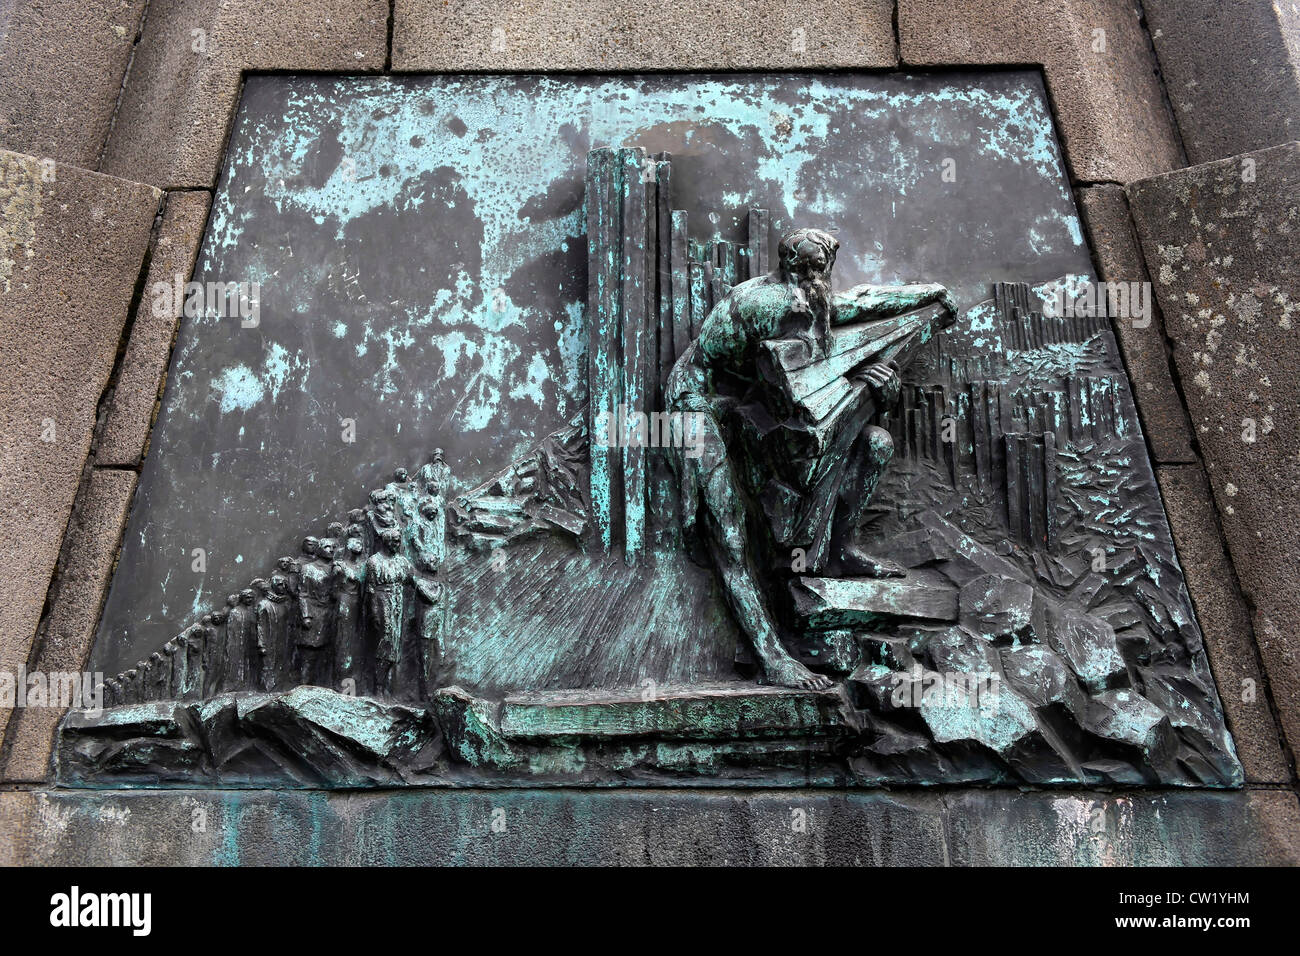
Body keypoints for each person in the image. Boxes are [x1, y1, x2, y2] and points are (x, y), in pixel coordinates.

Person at [664, 227, 957, 690]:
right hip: (697, 406)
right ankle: (770, 657)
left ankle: (839, 550)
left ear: (827, 266)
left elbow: (853, 310)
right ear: (785, 266)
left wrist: (927, 299)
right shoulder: (763, 304)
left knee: (874, 442)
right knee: (730, 535)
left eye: (817, 269)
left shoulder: (811, 298)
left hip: (756, 413)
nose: (808, 276)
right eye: (799, 268)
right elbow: (783, 378)